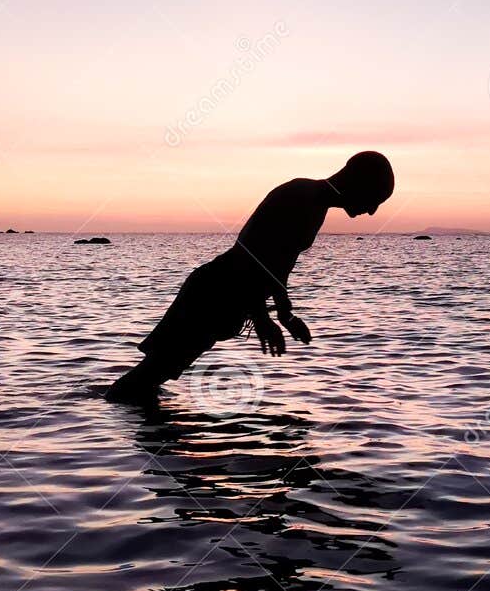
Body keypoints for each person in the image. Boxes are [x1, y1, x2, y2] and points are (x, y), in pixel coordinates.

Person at [105, 151, 394, 402]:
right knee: (152, 373)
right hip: (214, 292)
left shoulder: (315, 204)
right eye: (375, 199)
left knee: (157, 377)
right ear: (359, 182)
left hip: (229, 296)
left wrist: (285, 315)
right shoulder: (300, 196)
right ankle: (123, 438)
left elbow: (279, 267)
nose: (372, 210)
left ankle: (141, 439)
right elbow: (252, 257)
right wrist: (261, 318)